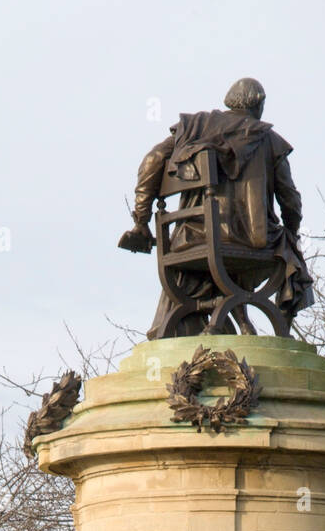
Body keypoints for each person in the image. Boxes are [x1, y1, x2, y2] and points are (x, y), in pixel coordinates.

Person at [119, 76, 314, 337]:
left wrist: (141, 221)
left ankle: (239, 322)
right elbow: (290, 200)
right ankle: (283, 334)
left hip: (190, 239)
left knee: (221, 263)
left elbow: (153, 159)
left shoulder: (195, 127)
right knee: (290, 254)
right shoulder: (268, 140)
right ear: (259, 105)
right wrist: (293, 231)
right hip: (252, 242)